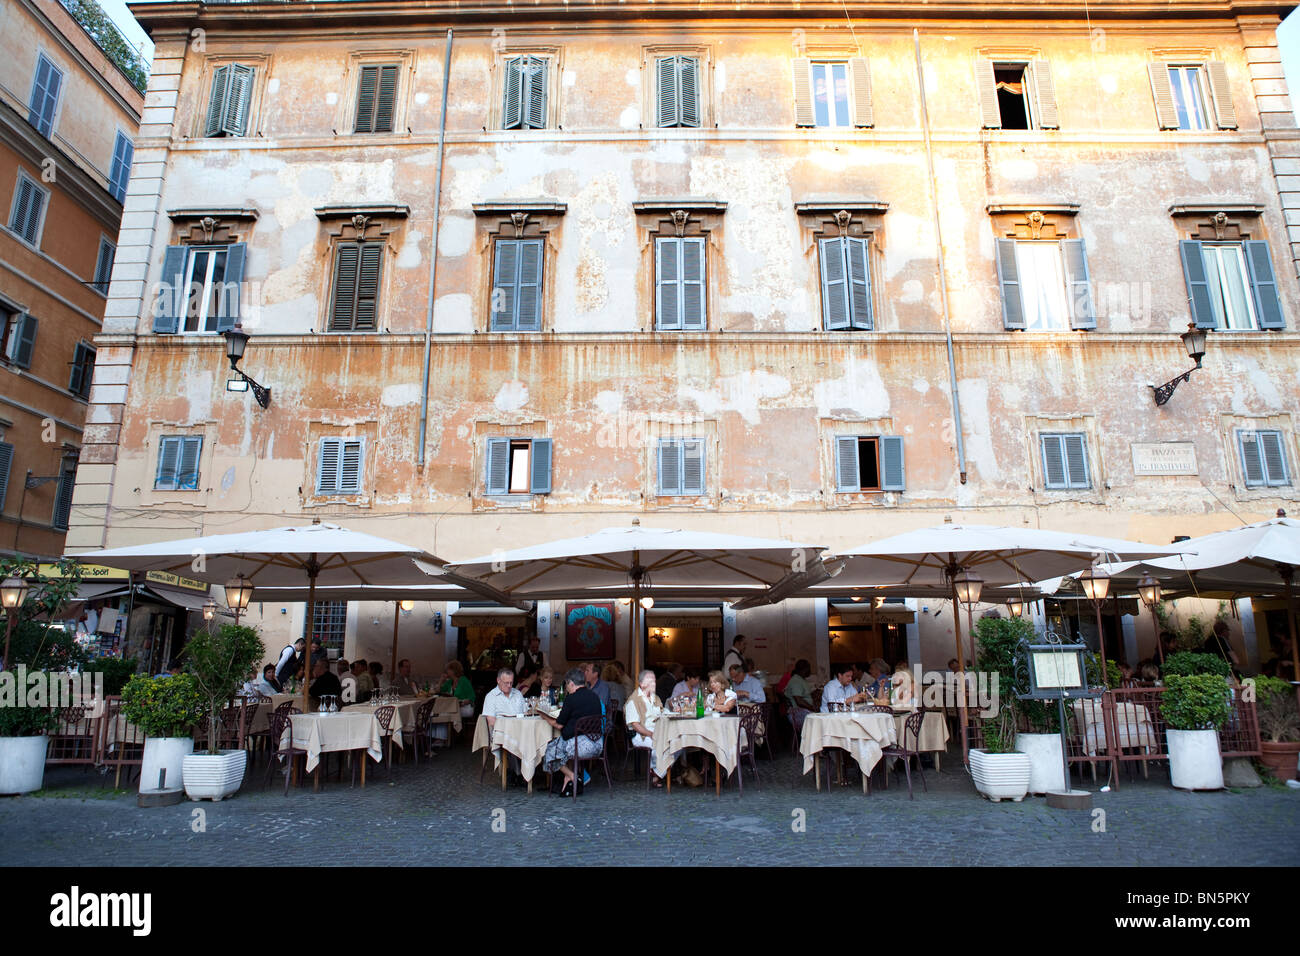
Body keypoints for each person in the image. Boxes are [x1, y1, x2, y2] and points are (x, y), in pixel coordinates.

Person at [541, 668, 605, 797]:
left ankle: (572, 776)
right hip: (598, 745)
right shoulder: (594, 696)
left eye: (566, 685)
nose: (567, 688)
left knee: (548, 751)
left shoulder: (571, 699)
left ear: (571, 683)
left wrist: (544, 716)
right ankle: (568, 782)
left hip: (579, 747)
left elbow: (558, 725)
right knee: (563, 745)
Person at [624, 668, 666, 787]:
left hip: (657, 731)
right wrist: (651, 734)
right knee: (661, 745)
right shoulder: (633, 700)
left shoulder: (655, 698)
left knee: (677, 744)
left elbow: (662, 712)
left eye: (654, 680)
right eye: (650, 681)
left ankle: (657, 774)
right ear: (642, 684)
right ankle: (658, 773)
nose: (654, 683)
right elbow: (635, 725)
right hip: (641, 735)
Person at [783, 659, 814, 734]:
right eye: (809, 668)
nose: (810, 671)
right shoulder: (796, 681)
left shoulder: (800, 679)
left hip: (803, 710)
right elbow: (799, 700)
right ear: (804, 670)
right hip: (798, 713)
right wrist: (812, 708)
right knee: (820, 719)